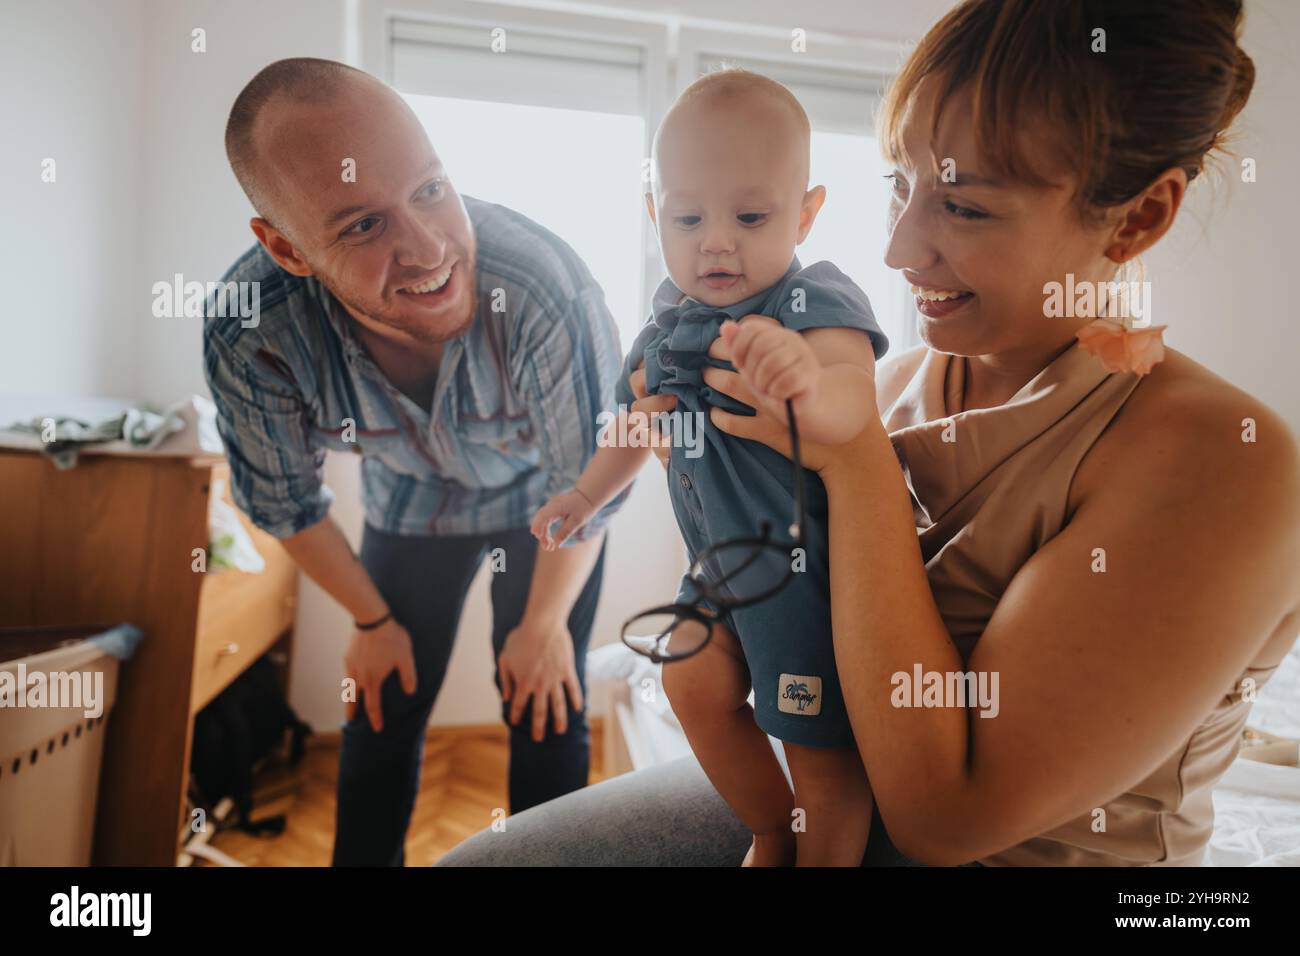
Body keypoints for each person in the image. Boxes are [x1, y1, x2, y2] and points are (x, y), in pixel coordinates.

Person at [438, 0, 1300, 867]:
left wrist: (853, 467)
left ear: (1140, 217)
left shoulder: (1224, 462)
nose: (897, 248)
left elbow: (947, 821)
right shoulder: (884, 384)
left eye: (962, 207)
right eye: (899, 183)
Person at [204, 58, 627, 866]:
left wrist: (541, 627)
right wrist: (370, 622)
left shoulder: (543, 286)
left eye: (431, 190)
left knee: (547, 703)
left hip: (550, 507)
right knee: (378, 711)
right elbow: (287, 505)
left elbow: (593, 483)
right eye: (363, 226)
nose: (431, 248)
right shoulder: (250, 331)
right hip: (410, 509)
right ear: (286, 248)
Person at [530, 70, 888, 866]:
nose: (716, 241)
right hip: (721, 569)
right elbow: (636, 419)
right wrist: (587, 492)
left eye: (751, 215)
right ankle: (768, 825)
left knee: (820, 751)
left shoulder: (811, 304)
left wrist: (798, 382)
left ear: (806, 212)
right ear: (655, 214)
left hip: (811, 578)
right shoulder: (669, 320)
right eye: (688, 217)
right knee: (688, 679)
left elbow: (851, 409)